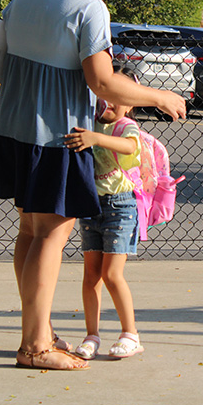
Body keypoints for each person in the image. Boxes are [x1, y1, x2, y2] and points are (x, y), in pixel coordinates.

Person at [0, 0, 186, 370]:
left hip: (11, 128)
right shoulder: (89, 8)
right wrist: (160, 96)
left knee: (28, 232)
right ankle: (35, 348)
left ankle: (37, 334)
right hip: (56, 135)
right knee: (50, 236)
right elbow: (102, 82)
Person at [63, 70, 145, 360]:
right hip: (91, 207)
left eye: (119, 97)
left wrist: (97, 138)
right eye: (106, 95)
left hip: (120, 207)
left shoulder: (125, 127)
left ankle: (130, 334)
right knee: (91, 276)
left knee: (112, 275)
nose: (110, 102)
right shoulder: (91, 123)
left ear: (130, 103)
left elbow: (130, 147)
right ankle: (92, 335)